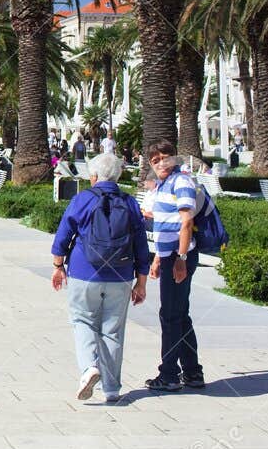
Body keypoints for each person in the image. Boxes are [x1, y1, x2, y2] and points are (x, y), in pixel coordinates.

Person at [50, 151, 151, 404]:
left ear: (93, 176)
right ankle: (112, 389)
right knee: (113, 330)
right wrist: (141, 282)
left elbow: (63, 234)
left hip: (84, 272)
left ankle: (89, 368)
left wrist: (58, 265)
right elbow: (141, 244)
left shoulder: (83, 199)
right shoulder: (129, 202)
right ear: (117, 176)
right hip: (121, 274)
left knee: (83, 320)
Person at [143, 140, 206, 392]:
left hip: (180, 257)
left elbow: (186, 223)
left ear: (174, 158)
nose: (161, 163)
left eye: (165, 157)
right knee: (179, 314)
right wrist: (158, 258)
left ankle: (169, 375)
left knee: (170, 316)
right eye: (155, 160)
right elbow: (164, 225)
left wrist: (181, 259)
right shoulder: (164, 185)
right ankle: (192, 372)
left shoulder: (181, 182)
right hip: (170, 257)